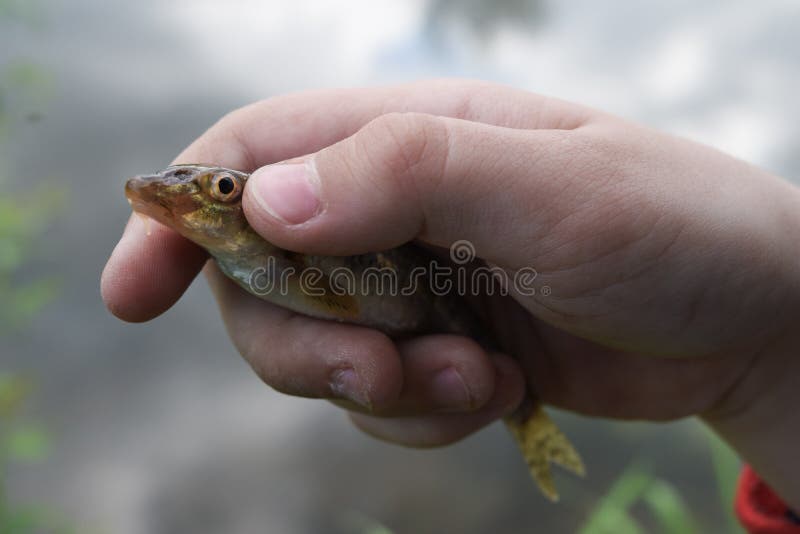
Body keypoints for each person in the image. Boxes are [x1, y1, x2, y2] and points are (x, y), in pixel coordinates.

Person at [101, 80, 800, 531]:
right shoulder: (239, 254)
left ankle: (527, 418)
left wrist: (772, 335)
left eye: (222, 187)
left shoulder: (285, 230)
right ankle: (532, 417)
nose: (194, 196)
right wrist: (764, 364)